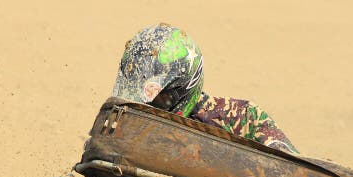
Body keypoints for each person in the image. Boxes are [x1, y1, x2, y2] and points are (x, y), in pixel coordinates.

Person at [112, 24, 299, 155]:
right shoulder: (121, 124)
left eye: (159, 99)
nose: (146, 106)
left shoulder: (244, 119)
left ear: (182, 88)